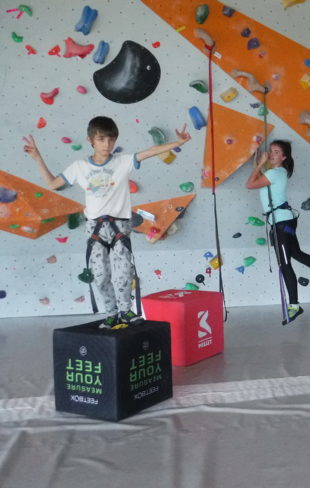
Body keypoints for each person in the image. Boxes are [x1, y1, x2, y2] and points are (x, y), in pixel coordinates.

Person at [23, 116, 191, 329]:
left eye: (111, 140)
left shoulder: (122, 162)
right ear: (91, 140)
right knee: (100, 276)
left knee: (123, 274)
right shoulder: (79, 167)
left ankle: (125, 311)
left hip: (119, 226)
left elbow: (148, 152)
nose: (107, 145)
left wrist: (178, 143)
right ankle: (111, 313)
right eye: (101, 139)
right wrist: (37, 157)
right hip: (95, 229)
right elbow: (53, 183)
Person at [246, 140, 310, 323]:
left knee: (285, 265)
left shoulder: (275, 172)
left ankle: (294, 306)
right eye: (271, 151)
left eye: (276, 152)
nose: (272, 154)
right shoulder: (277, 172)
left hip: (280, 222)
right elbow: (259, 177)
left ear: (284, 157)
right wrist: (258, 160)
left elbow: (250, 184)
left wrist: (260, 163)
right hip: (284, 220)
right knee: (296, 253)